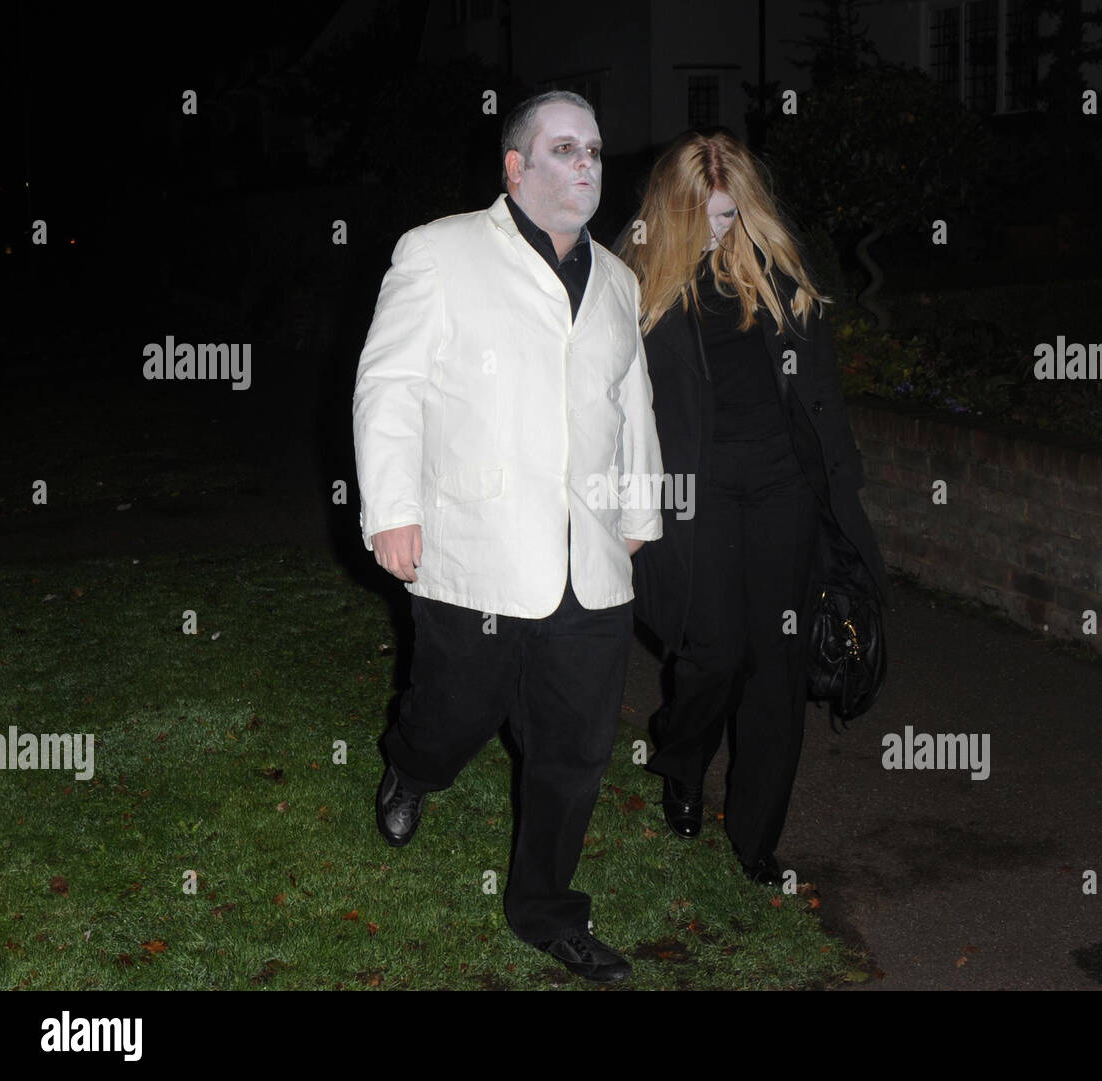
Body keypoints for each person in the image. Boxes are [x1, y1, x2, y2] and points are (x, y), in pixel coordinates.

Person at [352, 91, 664, 983]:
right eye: (564, 148)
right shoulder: (439, 252)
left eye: (596, 150)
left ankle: (545, 910)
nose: (587, 165)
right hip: (471, 554)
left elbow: (631, 406)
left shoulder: (617, 278)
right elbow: (390, 387)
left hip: (590, 563)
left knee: (575, 750)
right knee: (450, 718)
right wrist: (392, 511)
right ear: (514, 167)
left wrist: (638, 512)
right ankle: (412, 767)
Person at [616, 129, 889, 885]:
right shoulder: (631, 280)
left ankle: (756, 836)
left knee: (777, 662)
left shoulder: (776, 270)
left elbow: (820, 390)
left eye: (730, 214)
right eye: (703, 215)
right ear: (670, 211)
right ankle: (680, 759)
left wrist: (841, 490)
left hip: (781, 488)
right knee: (715, 654)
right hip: (692, 492)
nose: (717, 229)